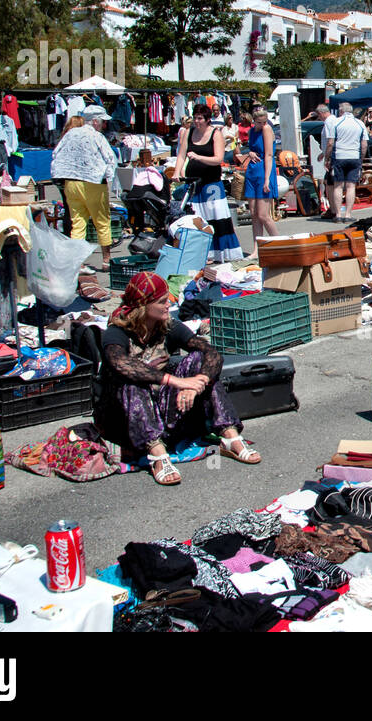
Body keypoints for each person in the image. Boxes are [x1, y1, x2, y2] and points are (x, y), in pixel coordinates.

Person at [99, 272, 259, 486]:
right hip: (125, 418)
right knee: (131, 379)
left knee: (198, 359)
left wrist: (196, 383)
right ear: (143, 305)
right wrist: (177, 382)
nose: (169, 305)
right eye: (162, 301)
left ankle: (229, 436)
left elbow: (212, 353)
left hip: (162, 409)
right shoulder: (116, 332)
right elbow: (120, 363)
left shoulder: (166, 326)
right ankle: (157, 454)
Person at [173, 104, 243, 262]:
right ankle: (203, 252)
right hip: (194, 183)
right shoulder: (188, 132)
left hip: (211, 183)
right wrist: (177, 172)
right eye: (195, 118)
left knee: (216, 217)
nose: (197, 122)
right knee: (198, 218)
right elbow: (181, 155)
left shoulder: (215, 134)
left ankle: (222, 252)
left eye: (200, 119)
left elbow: (218, 159)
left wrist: (198, 157)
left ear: (207, 120)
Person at [51, 106, 118, 271]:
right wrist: (108, 176)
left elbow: (56, 154)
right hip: (93, 183)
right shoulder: (96, 136)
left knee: (78, 223)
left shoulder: (70, 134)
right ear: (95, 121)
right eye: (102, 122)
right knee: (102, 221)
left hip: (71, 182)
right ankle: (106, 260)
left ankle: (78, 262)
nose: (103, 125)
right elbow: (110, 158)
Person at [323, 102, 368, 222]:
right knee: (351, 186)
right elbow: (364, 145)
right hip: (354, 156)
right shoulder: (360, 123)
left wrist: (327, 158)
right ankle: (348, 215)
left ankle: (338, 214)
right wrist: (361, 159)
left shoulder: (336, 123)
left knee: (338, 186)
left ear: (341, 111)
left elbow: (330, 143)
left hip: (339, 156)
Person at [243, 100, 280, 244]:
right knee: (254, 214)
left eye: (265, 121)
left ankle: (279, 243)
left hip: (264, 170)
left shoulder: (266, 129)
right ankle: (257, 248)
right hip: (253, 170)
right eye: (260, 122)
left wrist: (267, 180)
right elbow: (252, 148)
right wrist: (250, 153)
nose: (263, 124)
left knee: (263, 214)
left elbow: (269, 155)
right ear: (254, 121)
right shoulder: (252, 131)